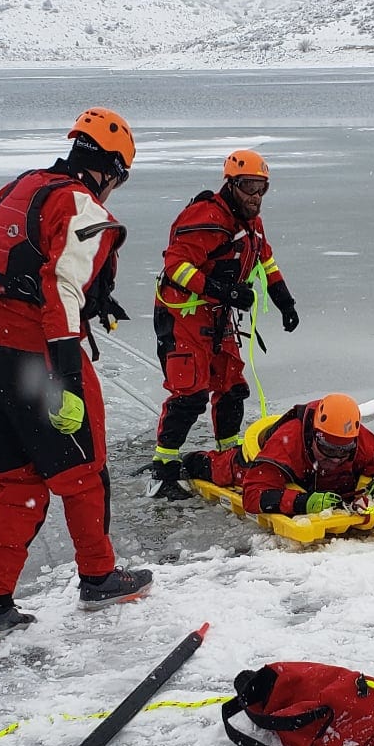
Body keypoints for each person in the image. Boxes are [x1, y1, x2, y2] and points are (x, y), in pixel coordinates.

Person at [0, 107, 153, 647]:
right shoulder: (78, 203)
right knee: (83, 473)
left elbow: (15, 250)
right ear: (110, 168)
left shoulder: (23, 186)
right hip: (35, 359)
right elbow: (61, 287)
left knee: (16, 483)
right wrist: (66, 376)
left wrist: (99, 293)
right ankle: (98, 578)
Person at [147, 149, 300, 501]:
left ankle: (228, 455)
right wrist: (224, 291)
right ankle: (164, 468)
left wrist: (285, 302)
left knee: (232, 387)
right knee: (191, 392)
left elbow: (267, 261)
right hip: (183, 313)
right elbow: (177, 267)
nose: (255, 196)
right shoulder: (206, 218)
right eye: (249, 187)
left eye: (262, 189)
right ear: (230, 184)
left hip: (217, 314)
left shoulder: (251, 224)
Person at [181, 394, 374, 517]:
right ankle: (188, 462)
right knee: (222, 468)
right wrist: (303, 502)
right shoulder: (288, 442)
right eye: (328, 450)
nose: (334, 460)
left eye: (343, 452)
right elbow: (253, 497)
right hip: (266, 460)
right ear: (315, 436)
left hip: (312, 475)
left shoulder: (360, 440)